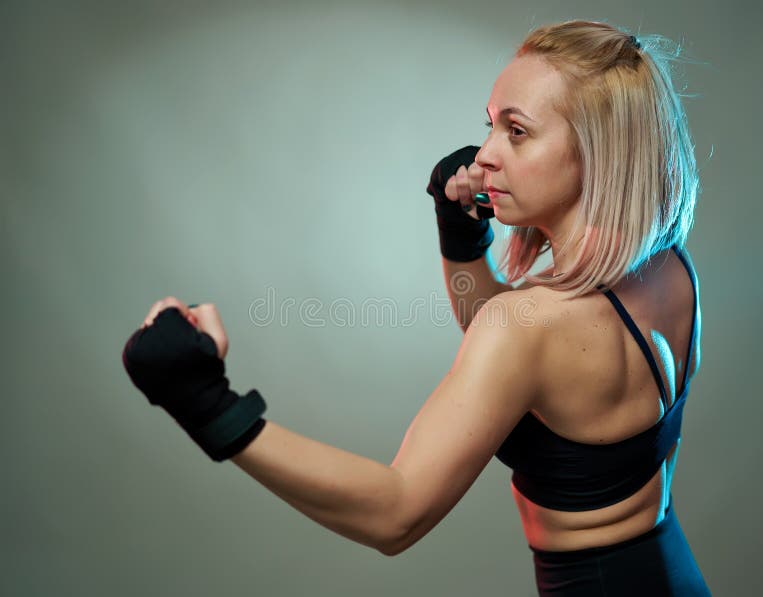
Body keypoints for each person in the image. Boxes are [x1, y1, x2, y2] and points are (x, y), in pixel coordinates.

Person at [121, 19, 710, 596]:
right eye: (491, 126)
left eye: (518, 132)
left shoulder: (527, 328)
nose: (485, 156)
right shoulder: (670, 270)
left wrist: (207, 405)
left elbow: (395, 514)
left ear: (596, 151)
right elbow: (521, 355)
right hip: (672, 571)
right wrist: (461, 237)